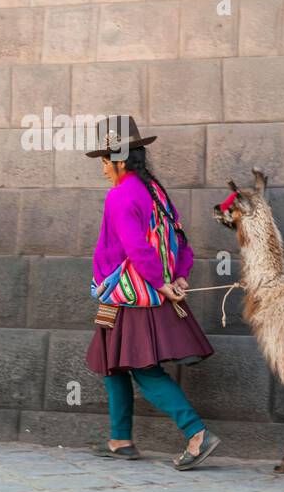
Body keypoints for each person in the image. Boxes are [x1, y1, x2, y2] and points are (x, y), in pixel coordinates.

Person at [84, 115, 220, 470]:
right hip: (130, 293)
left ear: (119, 160)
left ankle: (196, 433)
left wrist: (161, 283)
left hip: (133, 295)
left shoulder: (120, 196)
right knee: (112, 365)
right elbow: (179, 238)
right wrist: (180, 275)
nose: (102, 170)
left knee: (142, 368)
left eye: (104, 161)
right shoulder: (155, 191)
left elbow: (137, 248)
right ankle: (120, 439)